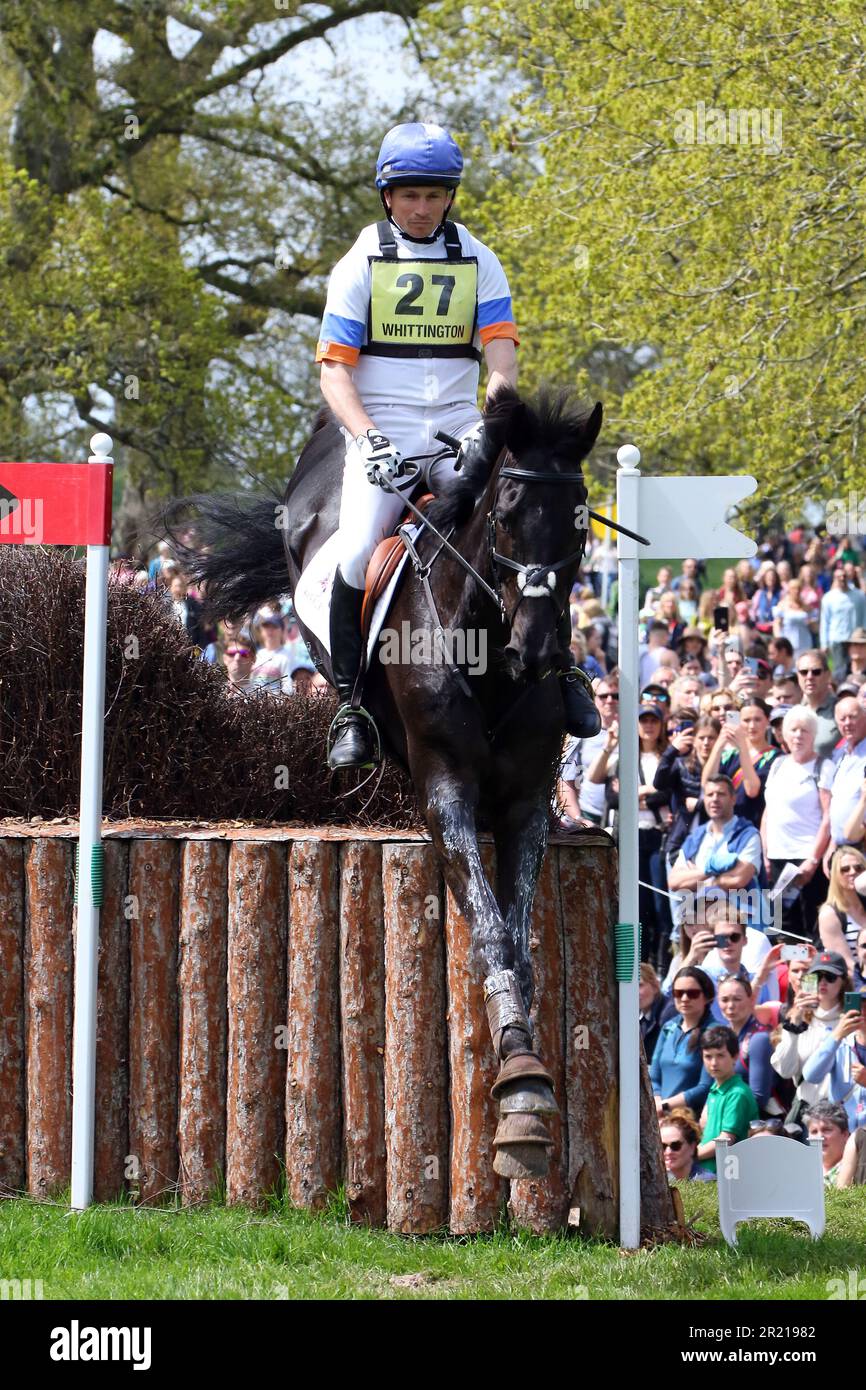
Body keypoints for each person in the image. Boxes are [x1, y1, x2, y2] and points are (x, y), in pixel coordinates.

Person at [313, 122, 601, 767]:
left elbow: (501, 355)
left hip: (455, 428)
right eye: (410, 195)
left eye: (435, 195)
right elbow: (334, 371)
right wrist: (369, 440)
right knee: (359, 553)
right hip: (379, 428)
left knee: (528, 532)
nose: (422, 208)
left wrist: (487, 423)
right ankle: (352, 706)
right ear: (388, 197)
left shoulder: (479, 257)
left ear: (450, 197)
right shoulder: (360, 263)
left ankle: (562, 672)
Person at [760, 706, 831, 939]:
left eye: (805, 730)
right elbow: (768, 812)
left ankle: (812, 973)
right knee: (785, 927)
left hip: (807, 859)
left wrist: (812, 860)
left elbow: (828, 817)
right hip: (779, 857)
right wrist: (766, 853)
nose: (798, 735)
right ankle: (790, 973)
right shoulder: (778, 765)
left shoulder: (823, 766)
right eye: (793, 730)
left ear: (814, 735)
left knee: (811, 922)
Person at [668, 775, 767, 928]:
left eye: (721, 794)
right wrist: (711, 869)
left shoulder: (748, 834)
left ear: (733, 799)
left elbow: (738, 879)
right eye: (709, 795)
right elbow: (674, 882)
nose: (714, 799)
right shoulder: (696, 837)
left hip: (741, 928)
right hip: (702, 925)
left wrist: (697, 879)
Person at [771, 949, 849, 1114]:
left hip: (846, 1115)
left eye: (830, 977)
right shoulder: (797, 1019)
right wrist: (794, 1024)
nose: (822, 982)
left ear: (843, 981)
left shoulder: (851, 1020)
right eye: (817, 976)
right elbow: (785, 1071)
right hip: (809, 1114)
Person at [701, 697, 781, 829]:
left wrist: (742, 746)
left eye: (757, 720)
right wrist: (720, 743)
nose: (752, 726)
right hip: (725, 827)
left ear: (767, 721)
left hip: (753, 826)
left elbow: (752, 790)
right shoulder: (729, 755)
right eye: (746, 720)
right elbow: (706, 783)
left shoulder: (776, 757)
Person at [716, 975, 786, 1116]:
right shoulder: (721, 1035)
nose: (730, 1006)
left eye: (737, 999)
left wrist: (721, 1113)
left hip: (753, 1124)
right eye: (724, 1000)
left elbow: (758, 1097)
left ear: (751, 1000)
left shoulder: (759, 1039)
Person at [650, 967, 714, 1118]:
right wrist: (658, 1102)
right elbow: (654, 1075)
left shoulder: (713, 1032)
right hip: (661, 1118)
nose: (684, 998)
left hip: (691, 1120)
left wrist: (665, 1105)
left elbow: (705, 1086)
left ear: (707, 996)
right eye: (678, 993)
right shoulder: (669, 1027)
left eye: (692, 993)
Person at [695, 1025, 760, 1172]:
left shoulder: (737, 1093)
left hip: (725, 1174)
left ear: (735, 1056)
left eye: (720, 1055)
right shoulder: (714, 1089)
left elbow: (726, 1139)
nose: (713, 1063)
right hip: (706, 1170)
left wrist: (690, 1156)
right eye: (708, 1056)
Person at [802, 991, 866, 1133]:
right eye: (860, 1007)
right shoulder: (840, 1043)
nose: (863, 1013)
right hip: (841, 1136)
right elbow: (811, 1075)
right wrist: (837, 1034)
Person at [559, 677, 619, 828]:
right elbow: (565, 781)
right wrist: (579, 819)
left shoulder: (635, 732)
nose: (610, 700)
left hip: (623, 817)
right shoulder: (580, 735)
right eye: (604, 696)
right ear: (594, 698)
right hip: (589, 819)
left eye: (616, 696)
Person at [823, 697, 866, 873]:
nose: (847, 723)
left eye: (852, 717)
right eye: (842, 718)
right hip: (841, 850)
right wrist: (832, 845)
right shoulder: (838, 755)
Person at [817, 847, 866, 969]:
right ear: (835, 875)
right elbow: (846, 965)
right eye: (845, 869)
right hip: (854, 984)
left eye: (858, 868)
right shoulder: (829, 914)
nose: (852, 872)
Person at [820, 564, 866, 677]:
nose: (842, 579)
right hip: (837, 639)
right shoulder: (828, 597)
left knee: (857, 668)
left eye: (844, 576)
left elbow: (865, 616)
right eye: (839, 577)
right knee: (839, 670)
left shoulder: (859, 595)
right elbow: (825, 621)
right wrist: (824, 643)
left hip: (855, 639)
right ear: (834, 579)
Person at [796, 650, 840, 758]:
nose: (809, 677)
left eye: (816, 672)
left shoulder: (841, 711)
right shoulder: (795, 713)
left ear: (828, 675)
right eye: (804, 672)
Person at [660, 1108, 715, 1182]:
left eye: (675, 1145)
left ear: (692, 1147)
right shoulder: (654, 1183)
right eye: (662, 1146)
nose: (668, 1152)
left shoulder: (707, 1181)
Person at [804, 1101, 851, 1186]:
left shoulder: (857, 1170)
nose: (820, 1137)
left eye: (827, 1130)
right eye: (814, 1132)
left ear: (845, 1134)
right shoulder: (801, 1172)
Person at [772, 578, 816, 656]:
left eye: (799, 589)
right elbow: (777, 624)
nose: (796, 591)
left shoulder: (806, 606)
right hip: (788, 640)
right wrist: (778, 639)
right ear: (789, 590)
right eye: (794, 589)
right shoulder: (782, 605)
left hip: (804, 640)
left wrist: (812, 623)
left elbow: (814, 625)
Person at [639, 963, 666, 1063]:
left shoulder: (667, 1013)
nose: (634, 992)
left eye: (640, 985)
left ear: (655, 986)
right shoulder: (633, 1015)